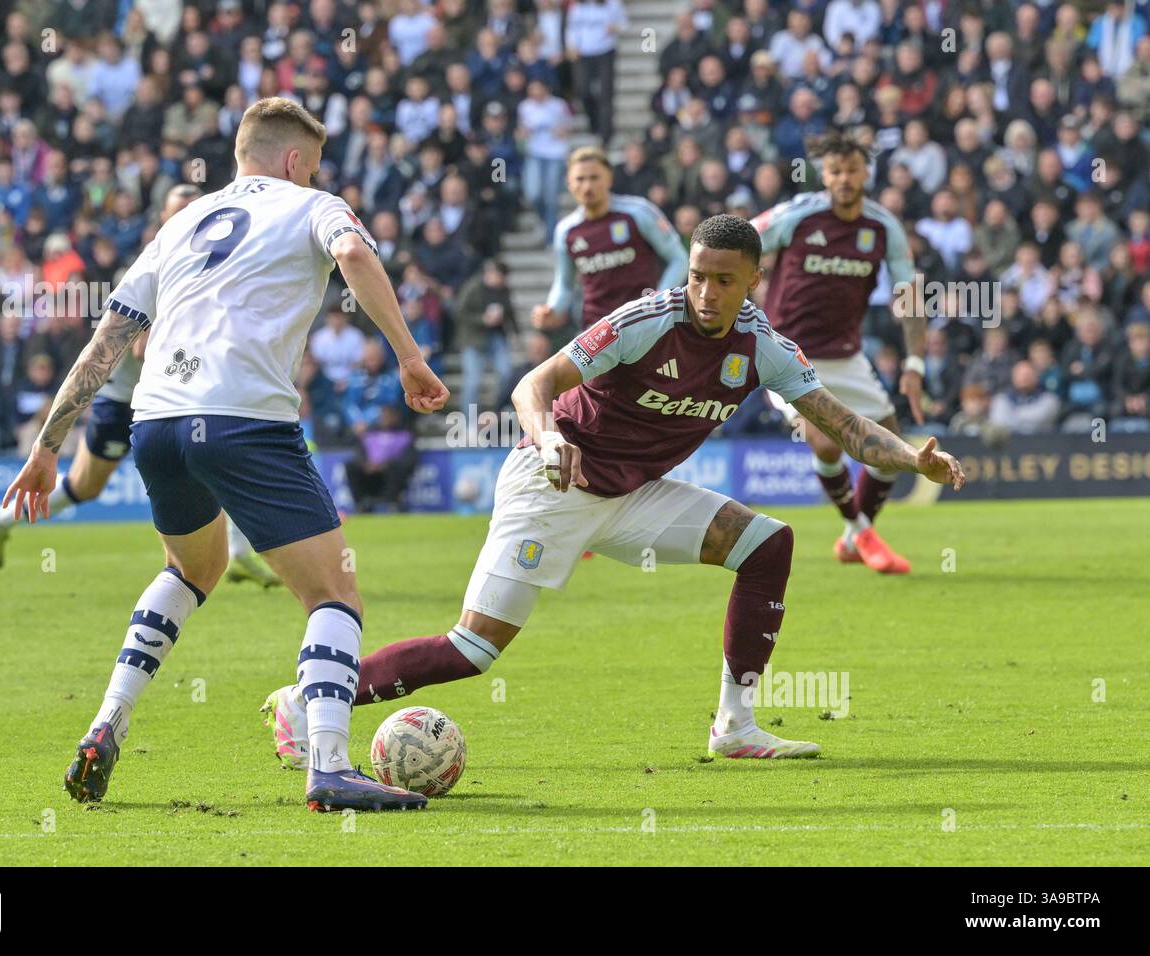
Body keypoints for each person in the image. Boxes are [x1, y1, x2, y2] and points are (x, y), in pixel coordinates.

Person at [262, 214, 965, 767]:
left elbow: (840, 423)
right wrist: (549, 439)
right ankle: (308, 700)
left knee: (766, 543)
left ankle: (736, 725)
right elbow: (532, 385)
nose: (706, 293)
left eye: (724, 280)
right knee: (473, 651)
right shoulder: (646, 320)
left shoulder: (764, 346)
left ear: (754, 279)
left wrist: (911, 457)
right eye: (698, 276)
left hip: (634, 495)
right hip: (553, 484)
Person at [0, 98, 449, 812]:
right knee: (334, 594)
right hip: (243, 419)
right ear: (297, 160)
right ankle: (330, 765)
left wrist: (46, 447)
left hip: (159, 422)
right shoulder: (315, 204)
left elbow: (107, 341)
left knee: (191, 568)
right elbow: (355, 254)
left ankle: (105, 723)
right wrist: (409, 356)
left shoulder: (180, 222)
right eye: (316, 163)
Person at [0, 186, 283, 587]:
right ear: (163, 220)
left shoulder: (210, 270)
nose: (190, 218)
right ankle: (0, 519)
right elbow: (141, 348)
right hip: (123, 399)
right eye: (178, 211)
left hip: (171, 395)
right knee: (86, 486)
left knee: (217, 457)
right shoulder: (150, 267)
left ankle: (237, 553)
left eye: (195, 210)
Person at [752, 130, 926, 574]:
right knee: (825, 441)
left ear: (866, 172)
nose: (844, 178)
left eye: (852, 169)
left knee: (889, 444)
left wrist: (914, 362)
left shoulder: (883, 227)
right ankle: (863, 534)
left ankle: (855, 536)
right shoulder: (797, 216)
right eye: (835, 171)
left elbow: (908, 294)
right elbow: (742, 241)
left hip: (845, 355)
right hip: (784, 351)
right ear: (823, 175)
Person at [533, 146, 688, 345]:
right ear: (569, 184)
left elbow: (679, 258)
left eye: (594, 177)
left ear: (609, 179)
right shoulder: (566, 231)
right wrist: (552, 309)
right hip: (596, 332)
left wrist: (659, 302)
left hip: (645, 325)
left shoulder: (638, 212)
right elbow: (564, 284)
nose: (587, 186)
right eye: (580, 179)